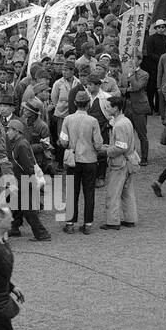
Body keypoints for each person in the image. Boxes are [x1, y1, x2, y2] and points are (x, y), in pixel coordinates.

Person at [60, 91, 103, 234]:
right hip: (90, 160)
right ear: (88, 104)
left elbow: (63, 141)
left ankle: (70, 223)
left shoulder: (67, 119)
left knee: (72, 192)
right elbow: (98, 144)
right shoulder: (93, 121)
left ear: (75, 103)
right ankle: (88, 224)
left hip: (73, 160)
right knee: (89, 192)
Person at [98, 95, 139, 229]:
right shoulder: (126, 121)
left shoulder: (119, 125)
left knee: (113, 193)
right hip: (129, 161)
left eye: (109, 107)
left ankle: (112, 221)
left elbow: (121, 147)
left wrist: (106, 150)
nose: (106, 109)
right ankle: (130, 218)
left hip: (120, 163)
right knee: (127, 192)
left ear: (116, 108)